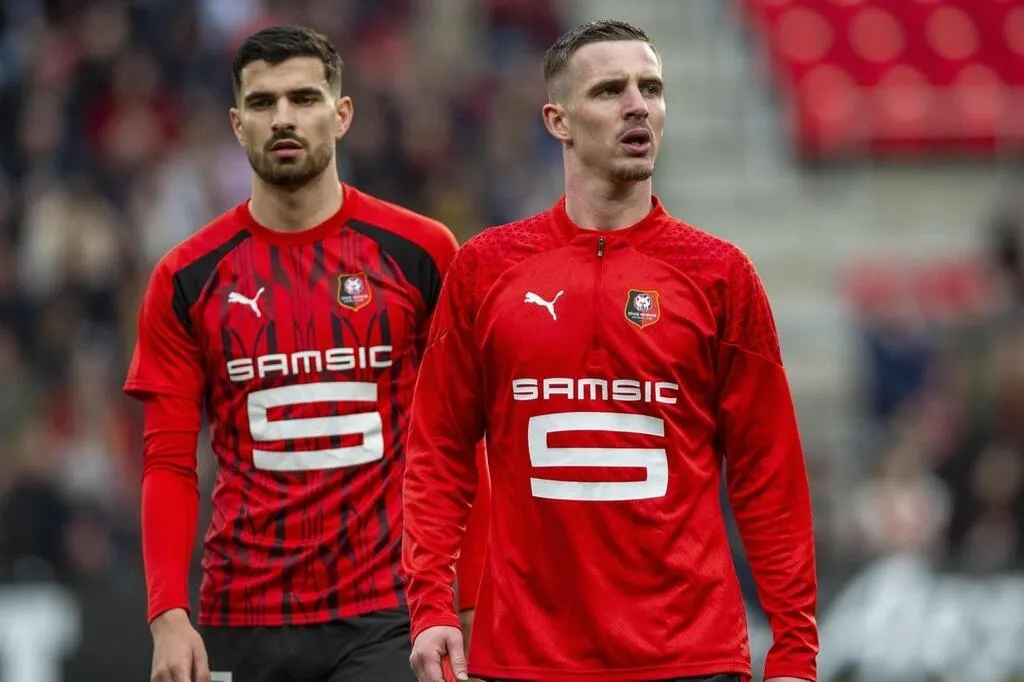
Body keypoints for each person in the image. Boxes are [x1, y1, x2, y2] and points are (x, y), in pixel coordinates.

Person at [402, 19, 819, 682]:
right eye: (610, 90)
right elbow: (437, 457)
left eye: (651, 88)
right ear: (557, 119)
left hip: (690, 658)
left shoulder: (720, 276)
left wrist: (795, 650)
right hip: (525, 660)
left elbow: (769, 477)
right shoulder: (486, 269)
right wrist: (432, 609)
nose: (637, 106)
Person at [124, 25, 485, 682]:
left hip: (390, 610)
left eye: (304, 98)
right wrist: (168, 613)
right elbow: (168, 461)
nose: (283, 118)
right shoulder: (187, 277)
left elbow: (465, 442)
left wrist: (467, 602)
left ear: (341, 114)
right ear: (237, 124)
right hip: (244, 613)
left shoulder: (422, 254)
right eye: (262, 104)